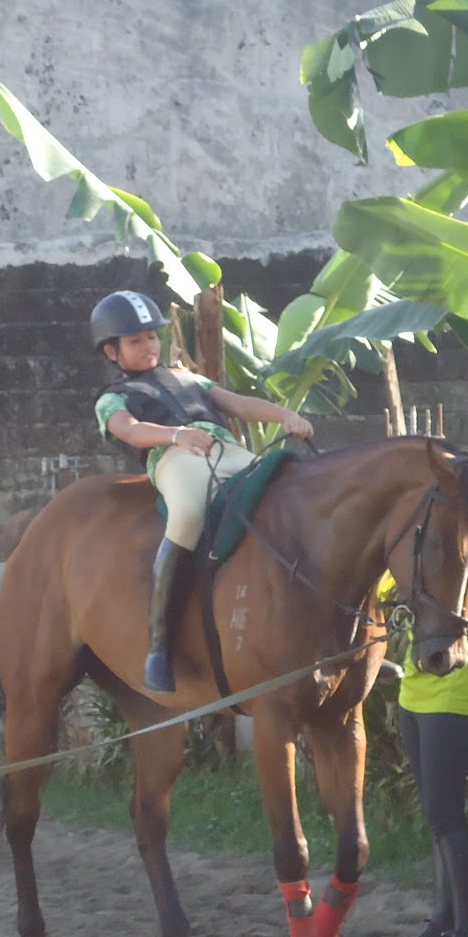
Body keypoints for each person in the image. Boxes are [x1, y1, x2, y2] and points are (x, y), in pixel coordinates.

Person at [90, 290, 313, 693]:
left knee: (286, 493)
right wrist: (177, 435)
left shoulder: (188, 378)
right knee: (189, 513)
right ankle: (160, 646)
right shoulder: (114, 397)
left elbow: (240, 405)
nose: (148, 347)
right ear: (112, 352)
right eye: (135, 341)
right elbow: (129, 430)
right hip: (175, 458)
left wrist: (285, 416)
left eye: (151, 337)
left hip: (228, 450)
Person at [381, 558, 468, 937]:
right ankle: (443, 921)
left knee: (447, 815)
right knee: (437, 816)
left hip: (454, 694)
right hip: (412, 694)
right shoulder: (403, 569)